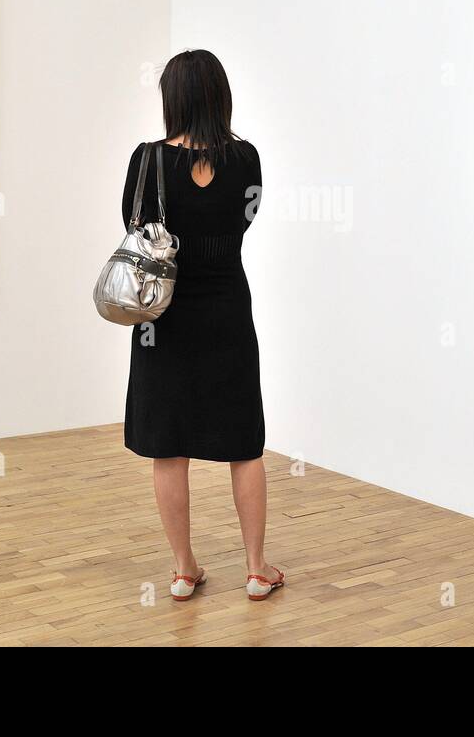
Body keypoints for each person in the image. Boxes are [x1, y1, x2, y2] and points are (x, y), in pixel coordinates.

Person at [122, 49, 283, 602]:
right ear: (219, 95)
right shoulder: (246, 160)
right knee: (245, 442)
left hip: (160, 317)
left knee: (169, 446)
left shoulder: (146, 160)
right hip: (227, 310)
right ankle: (258, 569)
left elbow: (134, 226)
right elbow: (246, 218)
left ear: (173, 98)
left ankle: (184, 570)